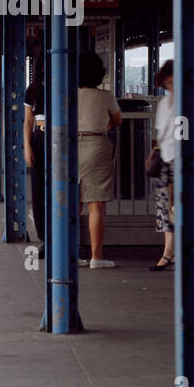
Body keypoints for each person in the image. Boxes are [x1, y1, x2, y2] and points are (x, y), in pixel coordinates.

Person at [77, 50, 122, 267]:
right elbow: (118, 120)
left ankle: (71, 254)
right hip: (96, 145)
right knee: (96, 206)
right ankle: (96, 257)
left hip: (70, 146)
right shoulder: (106, 96)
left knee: (71, 204)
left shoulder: (67, 95)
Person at [148, 60, 176, 271]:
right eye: (167, 83)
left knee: (177, 206)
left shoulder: (191, 101)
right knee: (166, 206)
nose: (170, 86)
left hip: (183, 160)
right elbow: (159, 134)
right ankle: (169, 252)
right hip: (166, 157)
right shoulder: (164, 103)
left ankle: (171, 253)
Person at [22, 53, 45, 257]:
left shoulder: (68, 85)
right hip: (40, 138)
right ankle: (45, 238)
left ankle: (61, 238)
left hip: (62, 140)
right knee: (38, 191)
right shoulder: (34, 89)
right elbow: (28, 121)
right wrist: (27, 146)